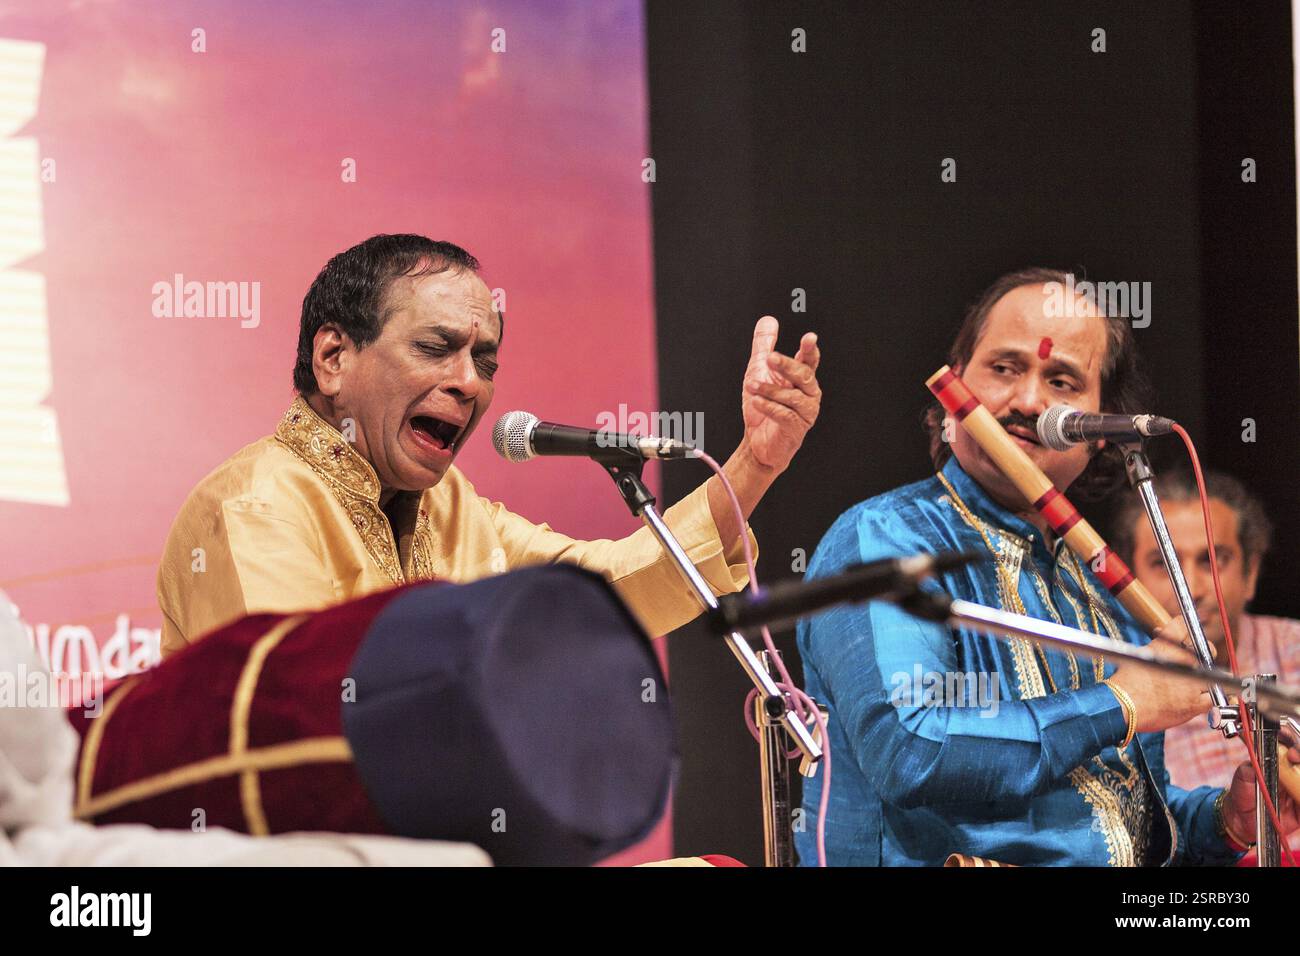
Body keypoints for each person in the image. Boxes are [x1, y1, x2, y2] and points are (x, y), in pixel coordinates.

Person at [795, 267, 1299, 866]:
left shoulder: (1098, 587)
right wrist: (1122, 703)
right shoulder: (885, 541)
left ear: (1101, 430)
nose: (1028, 401)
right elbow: (911, 750)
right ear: (954, 387)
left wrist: (1226, 822)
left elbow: (1127, 820)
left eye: (1061, 381)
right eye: (1004, 369)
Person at [158, 235, 822, 653]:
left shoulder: (448, 503)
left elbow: (609, 591)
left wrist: (752, 465)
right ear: (334, 356)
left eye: (487, 362)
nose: (470, 383)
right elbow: (304, 732)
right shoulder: (254, 509)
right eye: (435, 348)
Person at [1111, 469, 1300, 791]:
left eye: (1212, 560)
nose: (1191, 589)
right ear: (1133, 579)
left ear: (1250, 573)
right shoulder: (1117, 686)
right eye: (1162, 563)